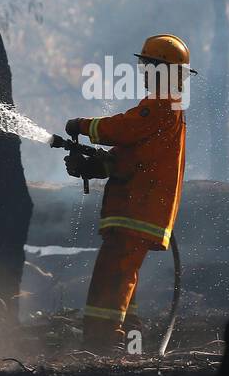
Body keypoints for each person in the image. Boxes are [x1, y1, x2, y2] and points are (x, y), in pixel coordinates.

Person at [64, 35, 193, 352]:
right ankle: (126, 338)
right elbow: (134, 156)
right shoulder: (163, 108)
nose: (143, 71)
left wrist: (83, 125)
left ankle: (102, 341)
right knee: (123, 275)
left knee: (113, 273)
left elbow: (122, 129)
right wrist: (99, 165)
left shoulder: (162, 106)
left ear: (164, 70)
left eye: (148, 65)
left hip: (140, 209)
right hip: (136, 207)